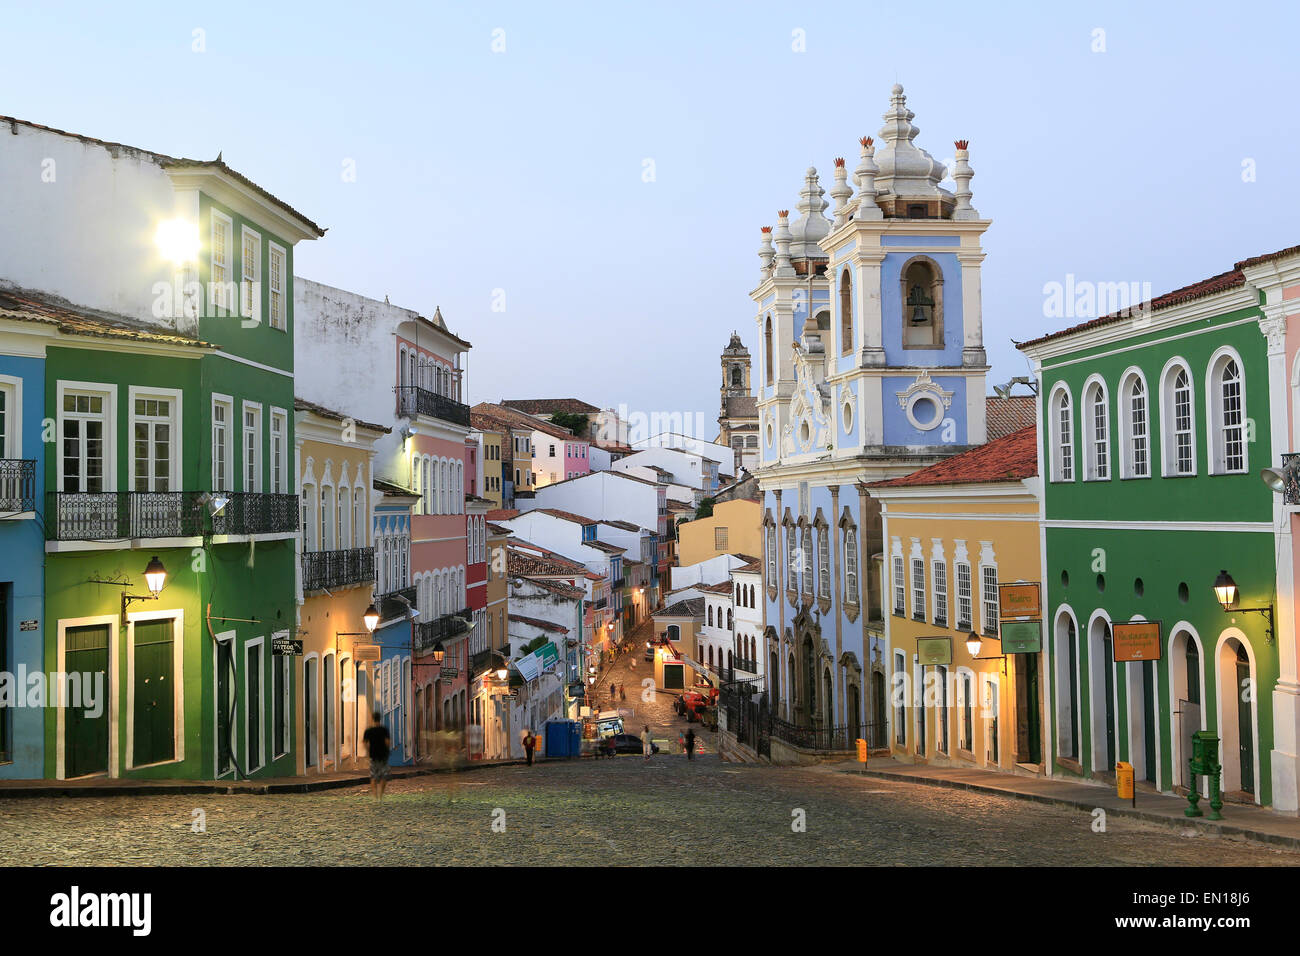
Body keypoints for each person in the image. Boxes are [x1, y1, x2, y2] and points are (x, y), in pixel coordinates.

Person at [363, 711, 392, 801]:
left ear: (372, 718)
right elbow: (387, 742)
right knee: (384, 776)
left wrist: (368, 752)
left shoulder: (368, 731)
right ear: (380, 718)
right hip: (383, 755)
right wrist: (387, 750)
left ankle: (375, 795)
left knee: (373, 776)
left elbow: (365, 743)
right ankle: (380, 796)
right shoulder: (384, 730)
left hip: (373, 755)